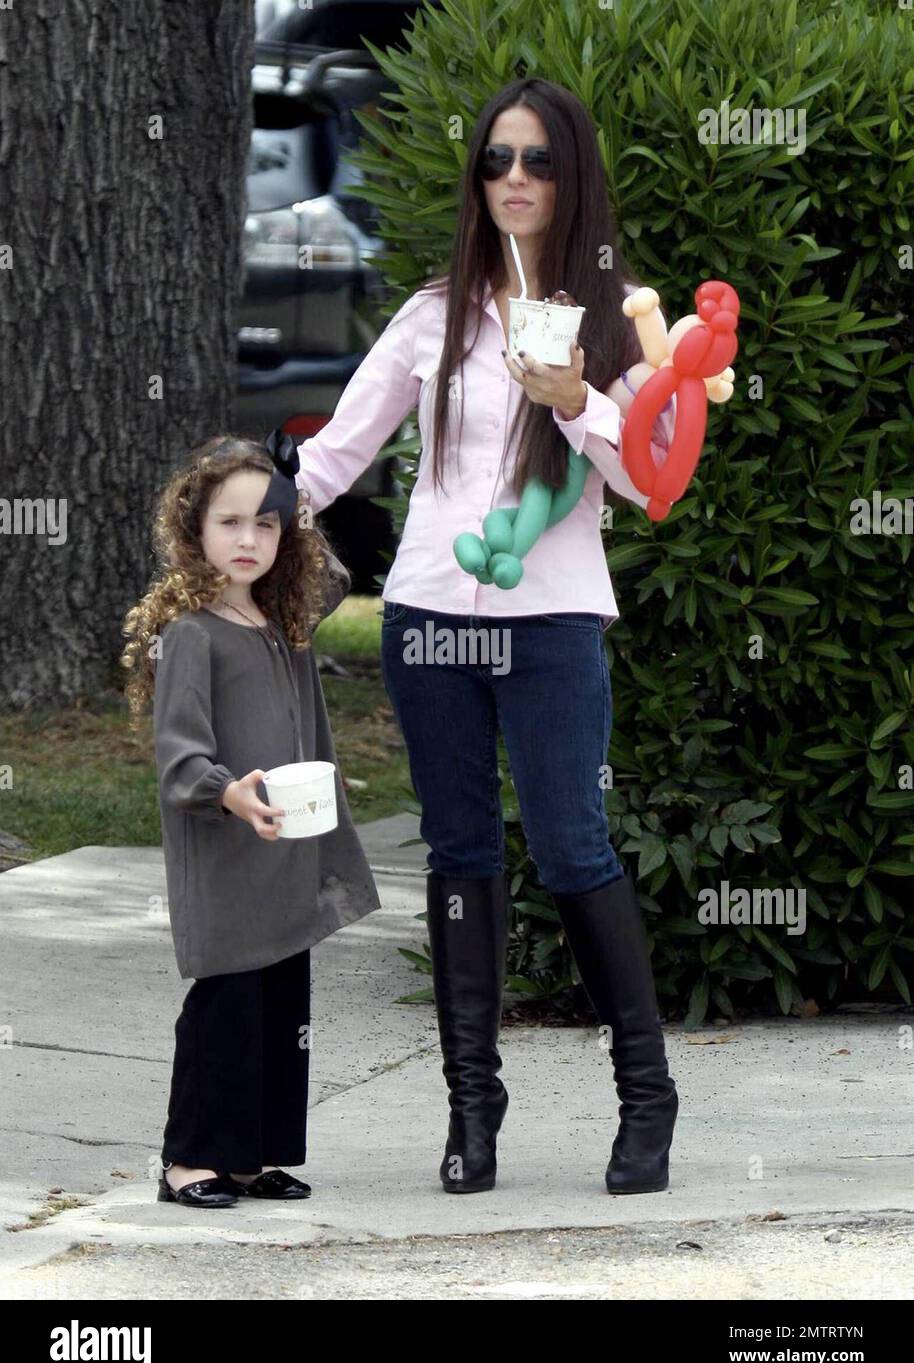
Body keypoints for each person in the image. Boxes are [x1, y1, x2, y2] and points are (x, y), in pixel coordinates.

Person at [294, 78, 681, 1196]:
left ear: (571, 178)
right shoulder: (434, 312)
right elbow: (336, 454)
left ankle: (644, 1093)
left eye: (538, 162)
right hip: (427, 617)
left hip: (553, 618)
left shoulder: (623, 317)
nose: (514, 178)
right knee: (459, 852)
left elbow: (649, 482)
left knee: (569, 845)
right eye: (497, 160)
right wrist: (245, 508)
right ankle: (473, 1104)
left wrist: (576, 398)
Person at [121, 434, 380, 1208]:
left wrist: (297, 492)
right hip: (228, 857)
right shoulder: (191, 634)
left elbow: (331, 575)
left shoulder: (282, 621)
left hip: (285, 858)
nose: (247, 540)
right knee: (224, 1012)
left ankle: (249, 1155)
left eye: (265, 525)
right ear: (194, 530)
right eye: (229, 523)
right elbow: (179, 759)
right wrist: (229, 791)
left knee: (280, 1009)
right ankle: (188, 1160)